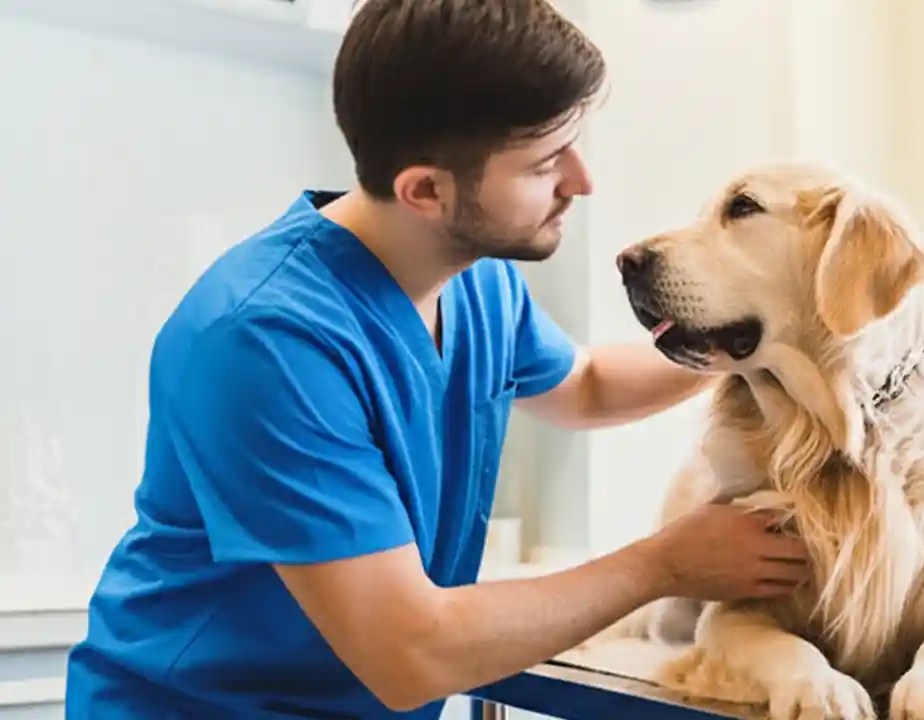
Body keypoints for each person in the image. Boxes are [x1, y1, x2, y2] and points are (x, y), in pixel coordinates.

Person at [63, 1, 810, 718]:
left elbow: (582, 385)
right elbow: (410, 653)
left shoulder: (477, 279)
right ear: (425, 191)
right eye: (547, 161)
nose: (582, 182)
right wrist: (666, 564)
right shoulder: (265, 340)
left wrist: (761, 335)